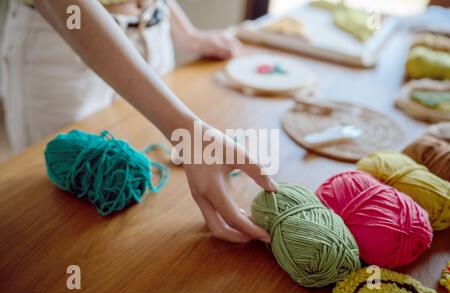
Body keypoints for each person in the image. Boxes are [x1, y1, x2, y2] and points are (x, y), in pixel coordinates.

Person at [1, 0, 276, 244]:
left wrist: (185, 32)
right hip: (63, 46)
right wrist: (187, 133)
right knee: (58, 223)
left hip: (153, 30)